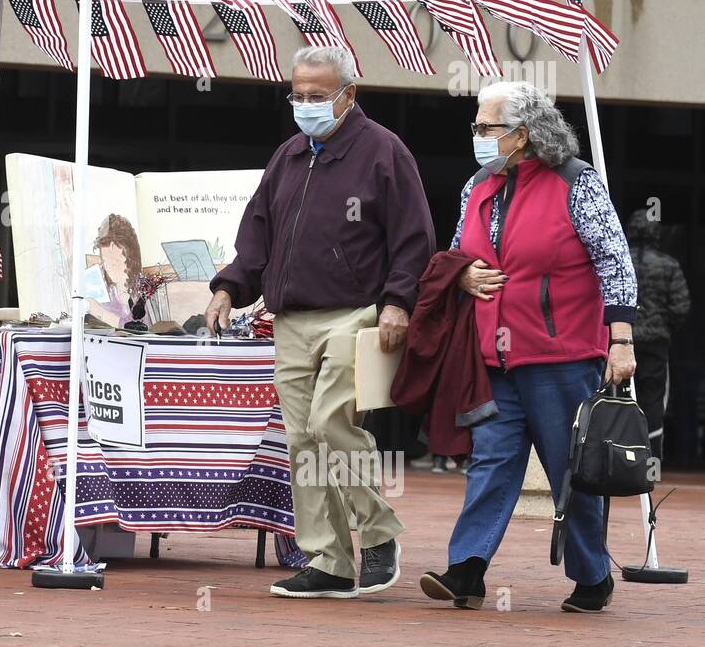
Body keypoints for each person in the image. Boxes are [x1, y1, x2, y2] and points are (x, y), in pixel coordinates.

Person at [205, 46, 435, 599]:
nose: (304, 105)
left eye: (316, 96)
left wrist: (399, 302)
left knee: (331, 423)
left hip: (355, 314)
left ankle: (378, 532)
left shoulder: (384, 151)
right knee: (301, 442)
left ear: (347, 95)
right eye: (297, 96)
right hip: (291, 319)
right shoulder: (288, 156)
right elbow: (256, 236)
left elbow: (414, 239)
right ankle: (328, 559)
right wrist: (228, 287)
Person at [420, 81, 637, 614]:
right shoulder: (477, 186)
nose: (476, 136)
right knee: (492, 462)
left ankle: (591, 576)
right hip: (492, 358)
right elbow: (456, 252)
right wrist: (464, 273)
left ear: (521, 134)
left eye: (485, 127)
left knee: (572, 468)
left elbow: (616, 263)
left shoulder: (576, 183)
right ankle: (466, 569)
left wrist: (622, 339)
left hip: (560, 358)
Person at [624, 209, 690, 463]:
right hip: (655, 344)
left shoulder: (620, 259)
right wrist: (664, 327)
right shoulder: (669, 264)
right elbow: (680, 307)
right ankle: (651, 463)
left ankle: (621, 458)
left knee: (619, 398)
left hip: (621, 341)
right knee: (653, 400)